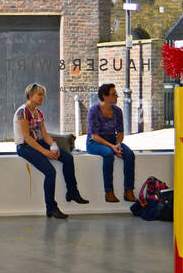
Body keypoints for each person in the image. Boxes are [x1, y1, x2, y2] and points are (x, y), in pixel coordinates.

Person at [14, 83, 87, 219]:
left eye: (43, 95)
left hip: (38, 142)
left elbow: (45, 135)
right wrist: (45, 152)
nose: (42, 97)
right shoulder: (22, 112)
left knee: (68, 158)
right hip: (25, 147)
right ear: (31, 95)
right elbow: (27, 138)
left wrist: (53, 146)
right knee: (50, 172)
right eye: (39, 94)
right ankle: (51, 208)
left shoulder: (38, 113)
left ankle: (72, 191)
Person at [85, 84, 137, 203]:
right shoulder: (94, 111)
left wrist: (118, 144)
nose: (117, 96)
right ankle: (109, 192)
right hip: (95, 142)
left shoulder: (117, 111)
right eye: (114, 94)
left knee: (129, 154)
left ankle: (128, 190)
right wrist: (112, 147)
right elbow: (94, 136)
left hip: (112, 140)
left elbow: (120, 132)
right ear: (105, 96)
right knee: (108, 154)